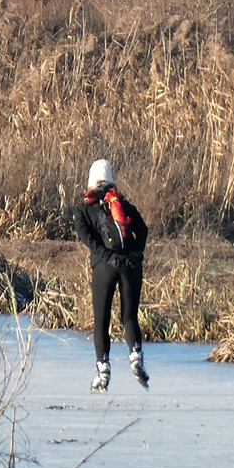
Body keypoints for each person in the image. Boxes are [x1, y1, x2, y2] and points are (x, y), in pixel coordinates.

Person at [72, 159, 149, 392]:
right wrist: (136, 253)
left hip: (105, 266)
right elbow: (142, 229)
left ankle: (103, 371)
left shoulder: (83, 208)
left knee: (101, 320)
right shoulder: (121, 203)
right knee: (129, 317)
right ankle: (135, 357)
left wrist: (107, 256)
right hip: (130, 265)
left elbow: (88, 239)